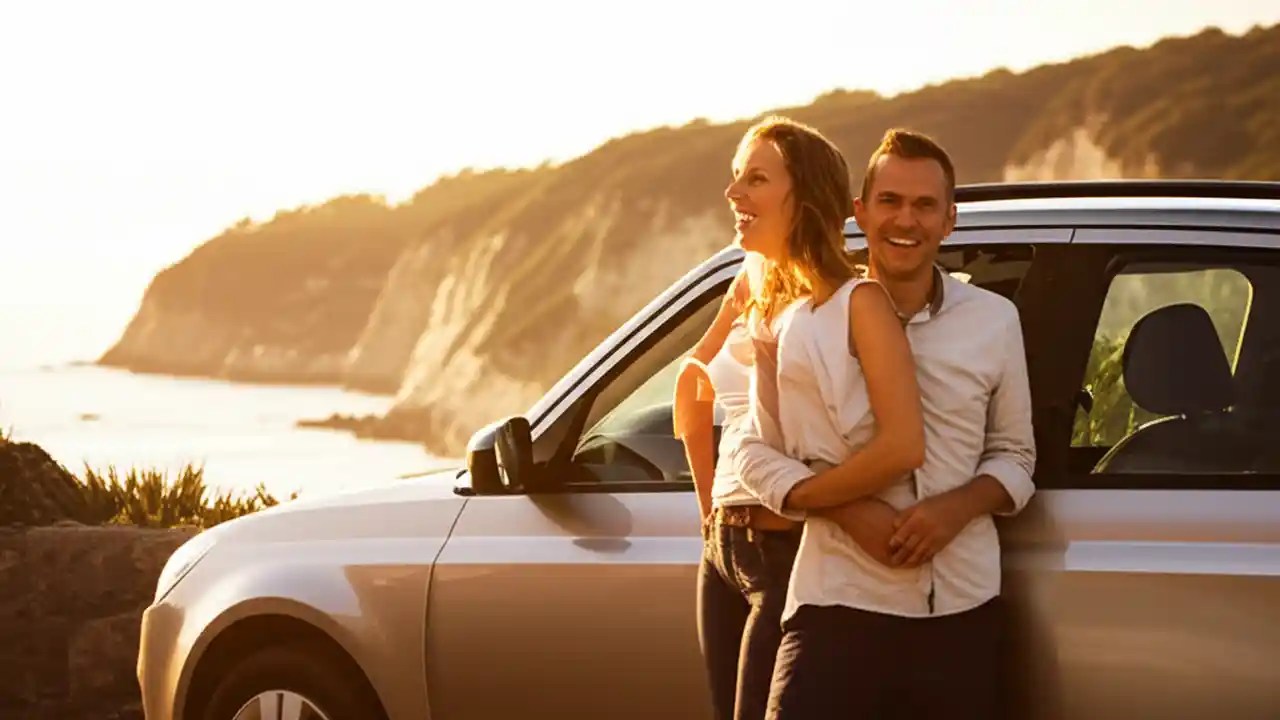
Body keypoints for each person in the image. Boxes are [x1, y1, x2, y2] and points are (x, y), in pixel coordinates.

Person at [727, 128, 1037, 719]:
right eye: (890, 201)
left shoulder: (996, 322)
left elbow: (1015, 454)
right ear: (860, 212)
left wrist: (957, 508)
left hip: (960, 608)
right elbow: (749, 443)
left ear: (949, 220)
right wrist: (842, 508)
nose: (907, 219)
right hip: (836, 597)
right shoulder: (805, 314)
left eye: (925, 205)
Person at [674, 116, 925, 720]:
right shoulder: (750, 280)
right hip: (725, 551)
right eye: (736, 178)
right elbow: (692, 382)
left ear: (805, 194)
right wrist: (710, 509)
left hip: (791, 555)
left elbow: (899, 445)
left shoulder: (857, 304)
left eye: (755, 179)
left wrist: (816, 502)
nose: (733, 194)